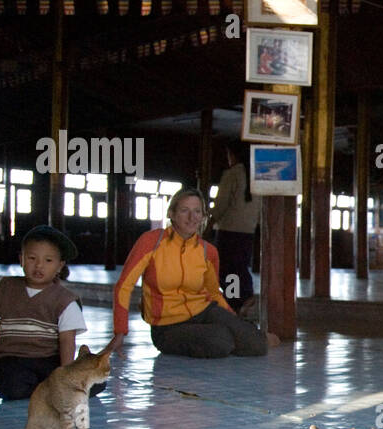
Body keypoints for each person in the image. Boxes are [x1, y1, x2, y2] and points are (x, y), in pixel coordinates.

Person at [113, 186, 279, 357]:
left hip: (204, 311)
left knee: (258, 345)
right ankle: (226, 337)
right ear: (171, 213)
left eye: (197, 211)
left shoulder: (208, 251)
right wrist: (120, 332)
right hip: (167, 326)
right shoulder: (152, 242)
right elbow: (124, 286)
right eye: (185, 210)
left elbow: (214, 292)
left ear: (203, 216)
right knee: (220, 341)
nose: (192, 217)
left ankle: (238, 336)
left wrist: (235, 323)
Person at [0, 225, 101, 400]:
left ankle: (70, 376)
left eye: (48, 260)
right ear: (21, 259)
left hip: (48, 358)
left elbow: (67, 340)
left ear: (60, 266)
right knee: (11, 390)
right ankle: (49, 389)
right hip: (11, 357)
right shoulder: (7, 288)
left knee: (91, 382)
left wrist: (64, 374)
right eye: (32, 258)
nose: (39, 265)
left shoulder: (64, 300)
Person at [207, 141, 260, 316]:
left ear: (234, 155)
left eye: (229, 155)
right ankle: (243, 297)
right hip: (248, 230)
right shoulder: (256, 175)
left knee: (226, 268)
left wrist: (210, 220)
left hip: (229, 229)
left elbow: (221, 204)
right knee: (240, 266)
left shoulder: (232, 174)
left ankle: (235, 301)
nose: (228, 159)